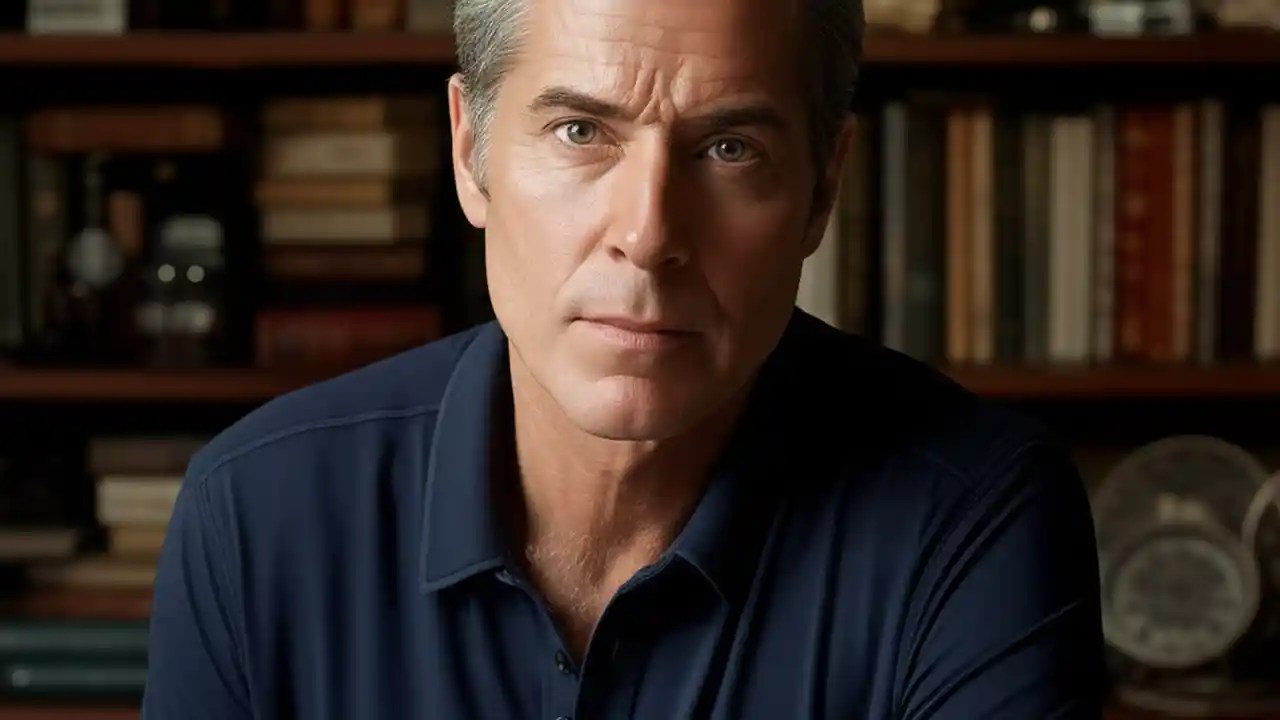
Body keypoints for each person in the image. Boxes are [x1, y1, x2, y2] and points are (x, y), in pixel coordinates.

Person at [141, 0, 1107, 716]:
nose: (647, 236)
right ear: (470, 150)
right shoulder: (258, 512)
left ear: (823, 190)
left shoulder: (973, 516)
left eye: (729, 148)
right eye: (581, 132)